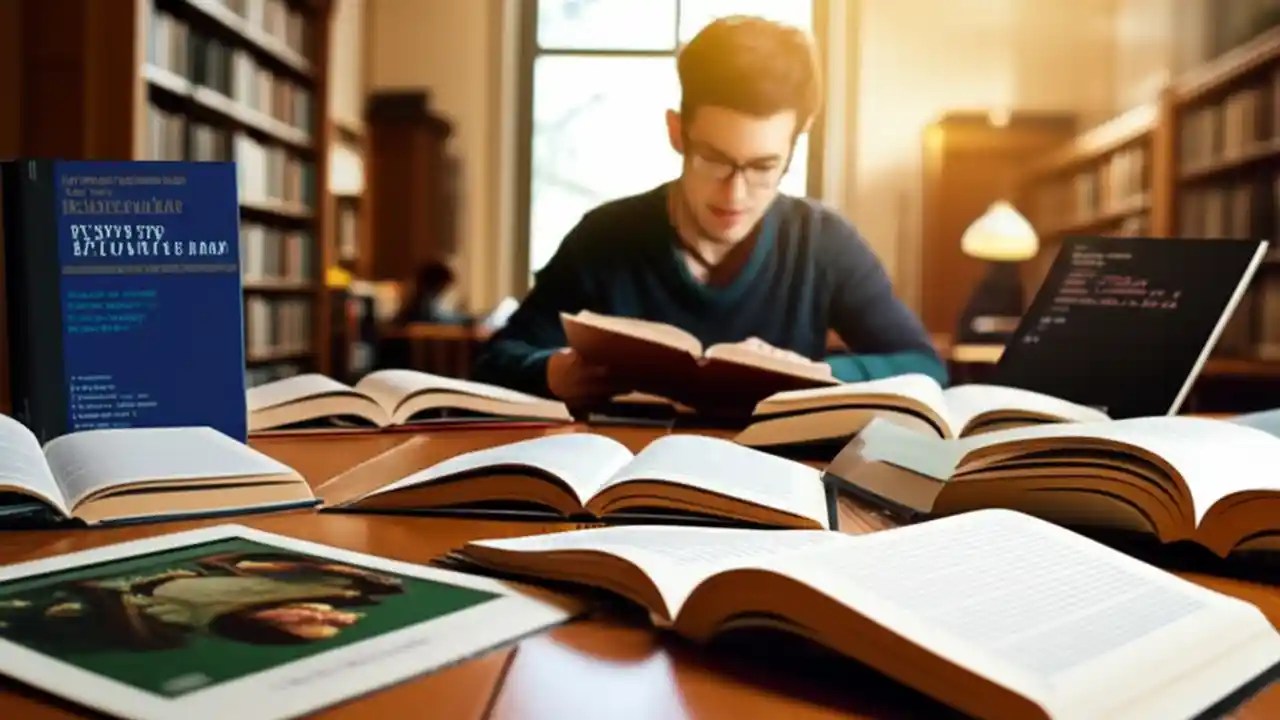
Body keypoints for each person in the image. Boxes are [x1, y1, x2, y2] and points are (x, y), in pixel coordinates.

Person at [474, 15, 946, 408]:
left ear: (794, 145)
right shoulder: (606, 236)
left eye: (764, 166)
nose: (735, 193)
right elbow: (497, 358)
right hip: (625, 485)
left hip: (780, 486)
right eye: (715, 159)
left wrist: (817, 372)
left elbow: (925, 367)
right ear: (677, 133)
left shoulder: (823, 242)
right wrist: (552, 373)